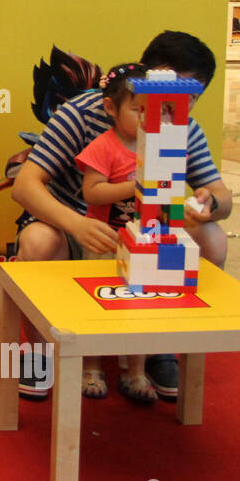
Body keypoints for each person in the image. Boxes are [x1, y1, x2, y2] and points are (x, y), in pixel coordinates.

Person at [11, 31, 232, 400]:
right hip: (77, 228)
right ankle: (40, 352)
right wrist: (77, 224)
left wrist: (211, 204)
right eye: (168, 96)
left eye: (190, 99)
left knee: (211, 238)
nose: (177, 109)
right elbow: (26, 185)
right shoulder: (84, 114)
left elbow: (221, 194)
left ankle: (162, 345)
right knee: (37, 240)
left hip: (146, 233)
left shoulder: (184, 128)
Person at [74, 62, 158, 403]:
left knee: (142, 303)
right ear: (111, 108)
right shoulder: (104, 146)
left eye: (154, 112)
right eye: (139, 110)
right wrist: (133, 186)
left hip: (143, 241)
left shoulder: (157, 147)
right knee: (96, 302)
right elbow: (92, 193)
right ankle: (90, 366)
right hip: (103, 241)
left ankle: (135, 369)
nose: (146, 119)